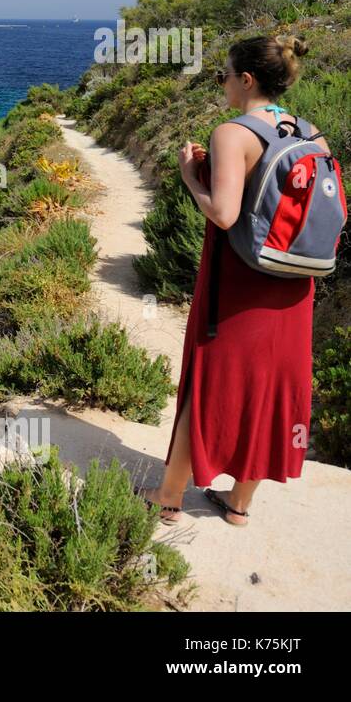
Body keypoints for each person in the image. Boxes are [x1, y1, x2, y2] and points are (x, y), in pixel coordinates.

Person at [141, 35, 328, 528]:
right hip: (295, 285)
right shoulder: (311, 134)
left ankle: (169, 495)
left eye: (223, 74)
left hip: (240, 286)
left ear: (246, 80)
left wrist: (190, 177)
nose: (221, 82)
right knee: (270, 391)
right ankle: (239, 504)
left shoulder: (233, 133)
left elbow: (223, 213)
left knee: (210, 383)